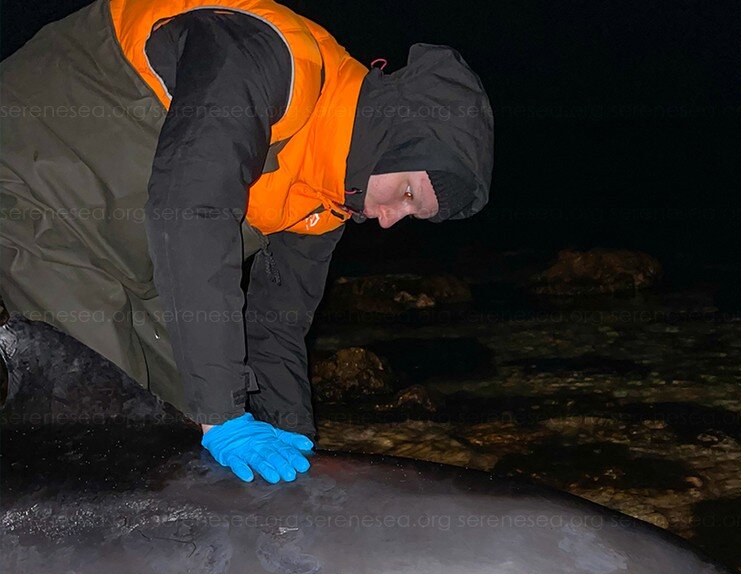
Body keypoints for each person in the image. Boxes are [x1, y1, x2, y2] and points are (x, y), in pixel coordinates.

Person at [0, 0, 493, 482]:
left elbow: (273, 327)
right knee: (114, 433)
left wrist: (296, 447)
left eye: (410, 214)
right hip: (35, 189)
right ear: (396, 136)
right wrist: (223, 414)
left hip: (132, 249)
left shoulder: (324, 203)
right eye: (406, 194)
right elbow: (191, 209)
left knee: (181, 436)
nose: (389, 220)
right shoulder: (259, 54)